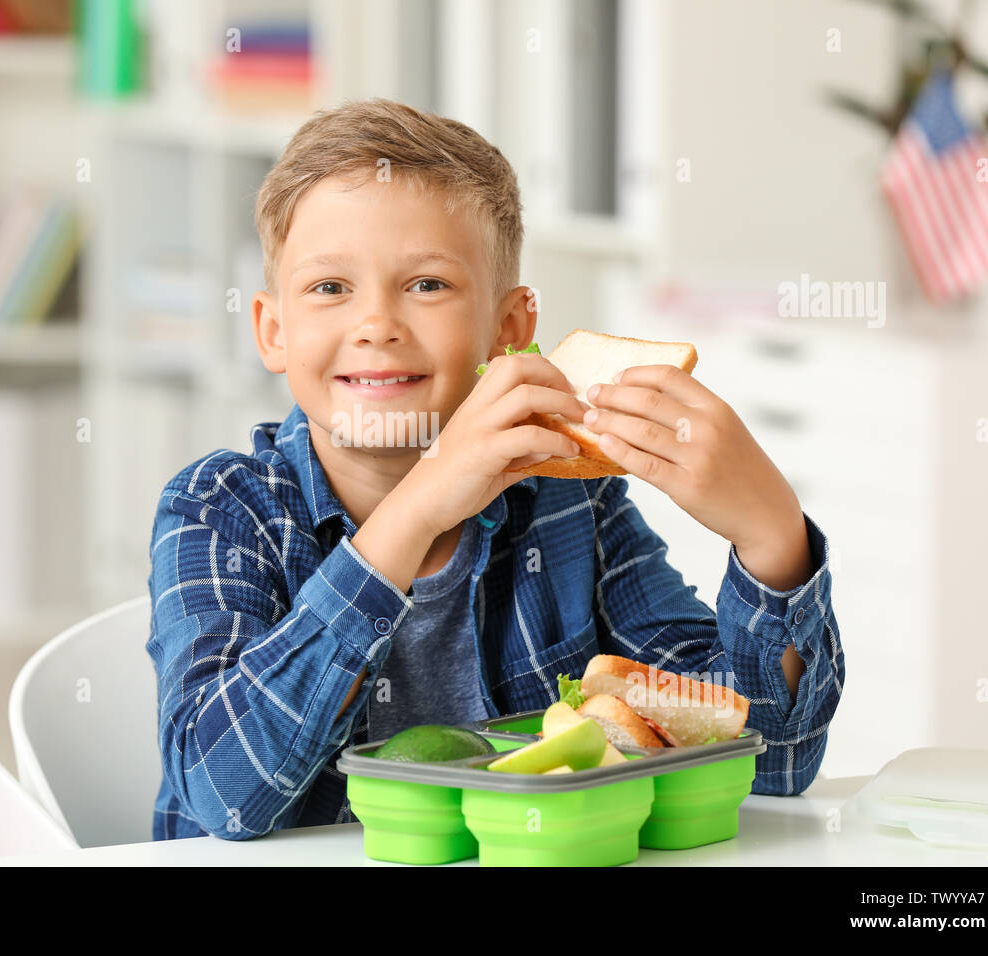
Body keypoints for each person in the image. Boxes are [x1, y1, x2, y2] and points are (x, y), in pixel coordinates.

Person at [145, 98, 843, 841]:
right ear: (274, 331)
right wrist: (415, 511)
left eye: (427, 285)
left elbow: (770, 763)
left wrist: (773, 537)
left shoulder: (568, 502)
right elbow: (222, 792)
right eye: (330, 288)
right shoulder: (217, 508)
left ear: (508, 330)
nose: (376, 322)